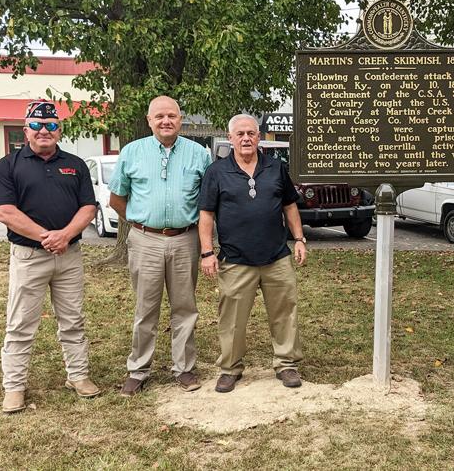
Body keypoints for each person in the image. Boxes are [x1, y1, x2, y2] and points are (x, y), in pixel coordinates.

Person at [0, 99, 100, 414]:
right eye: (37, 125)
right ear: (26, 129)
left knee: (73, 320)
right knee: (21, 322)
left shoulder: (75, 164)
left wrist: (65, 235)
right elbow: (6, 212)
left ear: (59, 129)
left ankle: (78, 376)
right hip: (29, 256)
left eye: (51, 125)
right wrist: (46, 237)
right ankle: (14, 387)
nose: (44, 131)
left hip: (70, 255)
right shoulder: (8, 165)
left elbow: (88, 207)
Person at [108, 95, 212, 396]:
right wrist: (142, 222)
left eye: (172, 116)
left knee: (185, 307)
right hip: (145, 240)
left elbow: (207, 201)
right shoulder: (132, 152)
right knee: (146, 308)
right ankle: (138, 370)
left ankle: (184, 369)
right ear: (149, 120)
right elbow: (117, 198)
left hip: (185, 239)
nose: (166, 121)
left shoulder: (199, 154)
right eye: (159, 116)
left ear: (181, 119)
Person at [198, 114, 306, 393]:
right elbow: (206, 214)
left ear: (259, 137)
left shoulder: (276, 168)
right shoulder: (217, 172)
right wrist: (207, 252)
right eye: (240, 134)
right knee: (232, 319)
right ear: (230, 138)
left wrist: (299, 239)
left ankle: (286, 364)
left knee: (284, 313)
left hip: (277, 257)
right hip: (235, 260)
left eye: (251, 133)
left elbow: (290, 206)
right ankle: (229, 369)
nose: (246, 138)